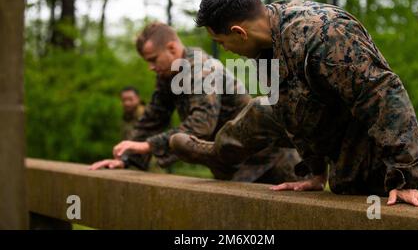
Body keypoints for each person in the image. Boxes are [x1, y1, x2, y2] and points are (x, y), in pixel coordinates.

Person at [170, 0, 418, 207]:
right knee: (264, 108)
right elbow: (292, 108)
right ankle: (219, 152)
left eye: (221, 42)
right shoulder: (264, 43)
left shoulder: (325, 36)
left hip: (365, 141)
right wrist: (314, 170)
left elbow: (384, 95)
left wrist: (407, 177)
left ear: (239, 32)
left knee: (355, 191)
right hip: (328, 121)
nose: (224, 50)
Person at [90, 22, 301, 184]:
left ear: (172, 48)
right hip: (235, 160)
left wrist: (148, 146)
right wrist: (127, 158)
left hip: (272, 157)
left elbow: (201, 124)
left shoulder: (201, 69)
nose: (151, 67)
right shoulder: (168, 74)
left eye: (153, 59)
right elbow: (153, 118)